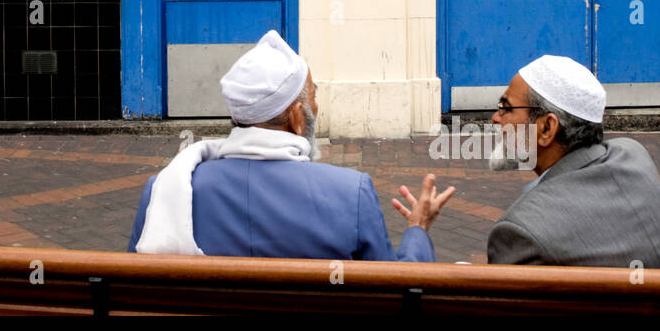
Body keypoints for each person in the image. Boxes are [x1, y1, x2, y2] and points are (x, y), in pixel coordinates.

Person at [128, 30, 453, 260]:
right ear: (297, 118)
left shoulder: (168, 192)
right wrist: (417, 230)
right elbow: (401, 298)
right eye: (314, 96)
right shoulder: (351, 194)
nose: (317, 106)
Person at [486, 54, 660, 269]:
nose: (496, 118)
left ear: (546, 128)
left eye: (506, 108)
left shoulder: (521, 231)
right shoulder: (634, 156)